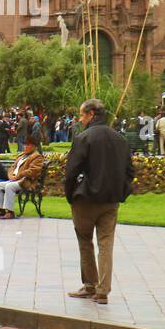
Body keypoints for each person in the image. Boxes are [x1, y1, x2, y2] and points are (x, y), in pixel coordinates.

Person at [65, 99, 134, 305]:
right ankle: (102, 290)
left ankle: (90, 285)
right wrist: (121, 191)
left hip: (85, 199)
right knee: (106, 245)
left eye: (82, 115)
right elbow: (130, 171)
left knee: (85, 241)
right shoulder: (119, 139)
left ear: (92, 114)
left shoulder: (83, 138)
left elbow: (71, 172)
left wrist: (71, 194)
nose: (80, 119)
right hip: (110, 200)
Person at [0, 137, 46, 219]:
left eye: (28, 145)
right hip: (14, 180)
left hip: (25, 181)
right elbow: (12, 168)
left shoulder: (37, 157)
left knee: (9, 187)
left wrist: (18, 176)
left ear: (34, 146)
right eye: (25, 145)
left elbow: (33, 171)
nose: (25, 147)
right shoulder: (21, 156)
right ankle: (0, 211)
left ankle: (10, 212)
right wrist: (11, 176)